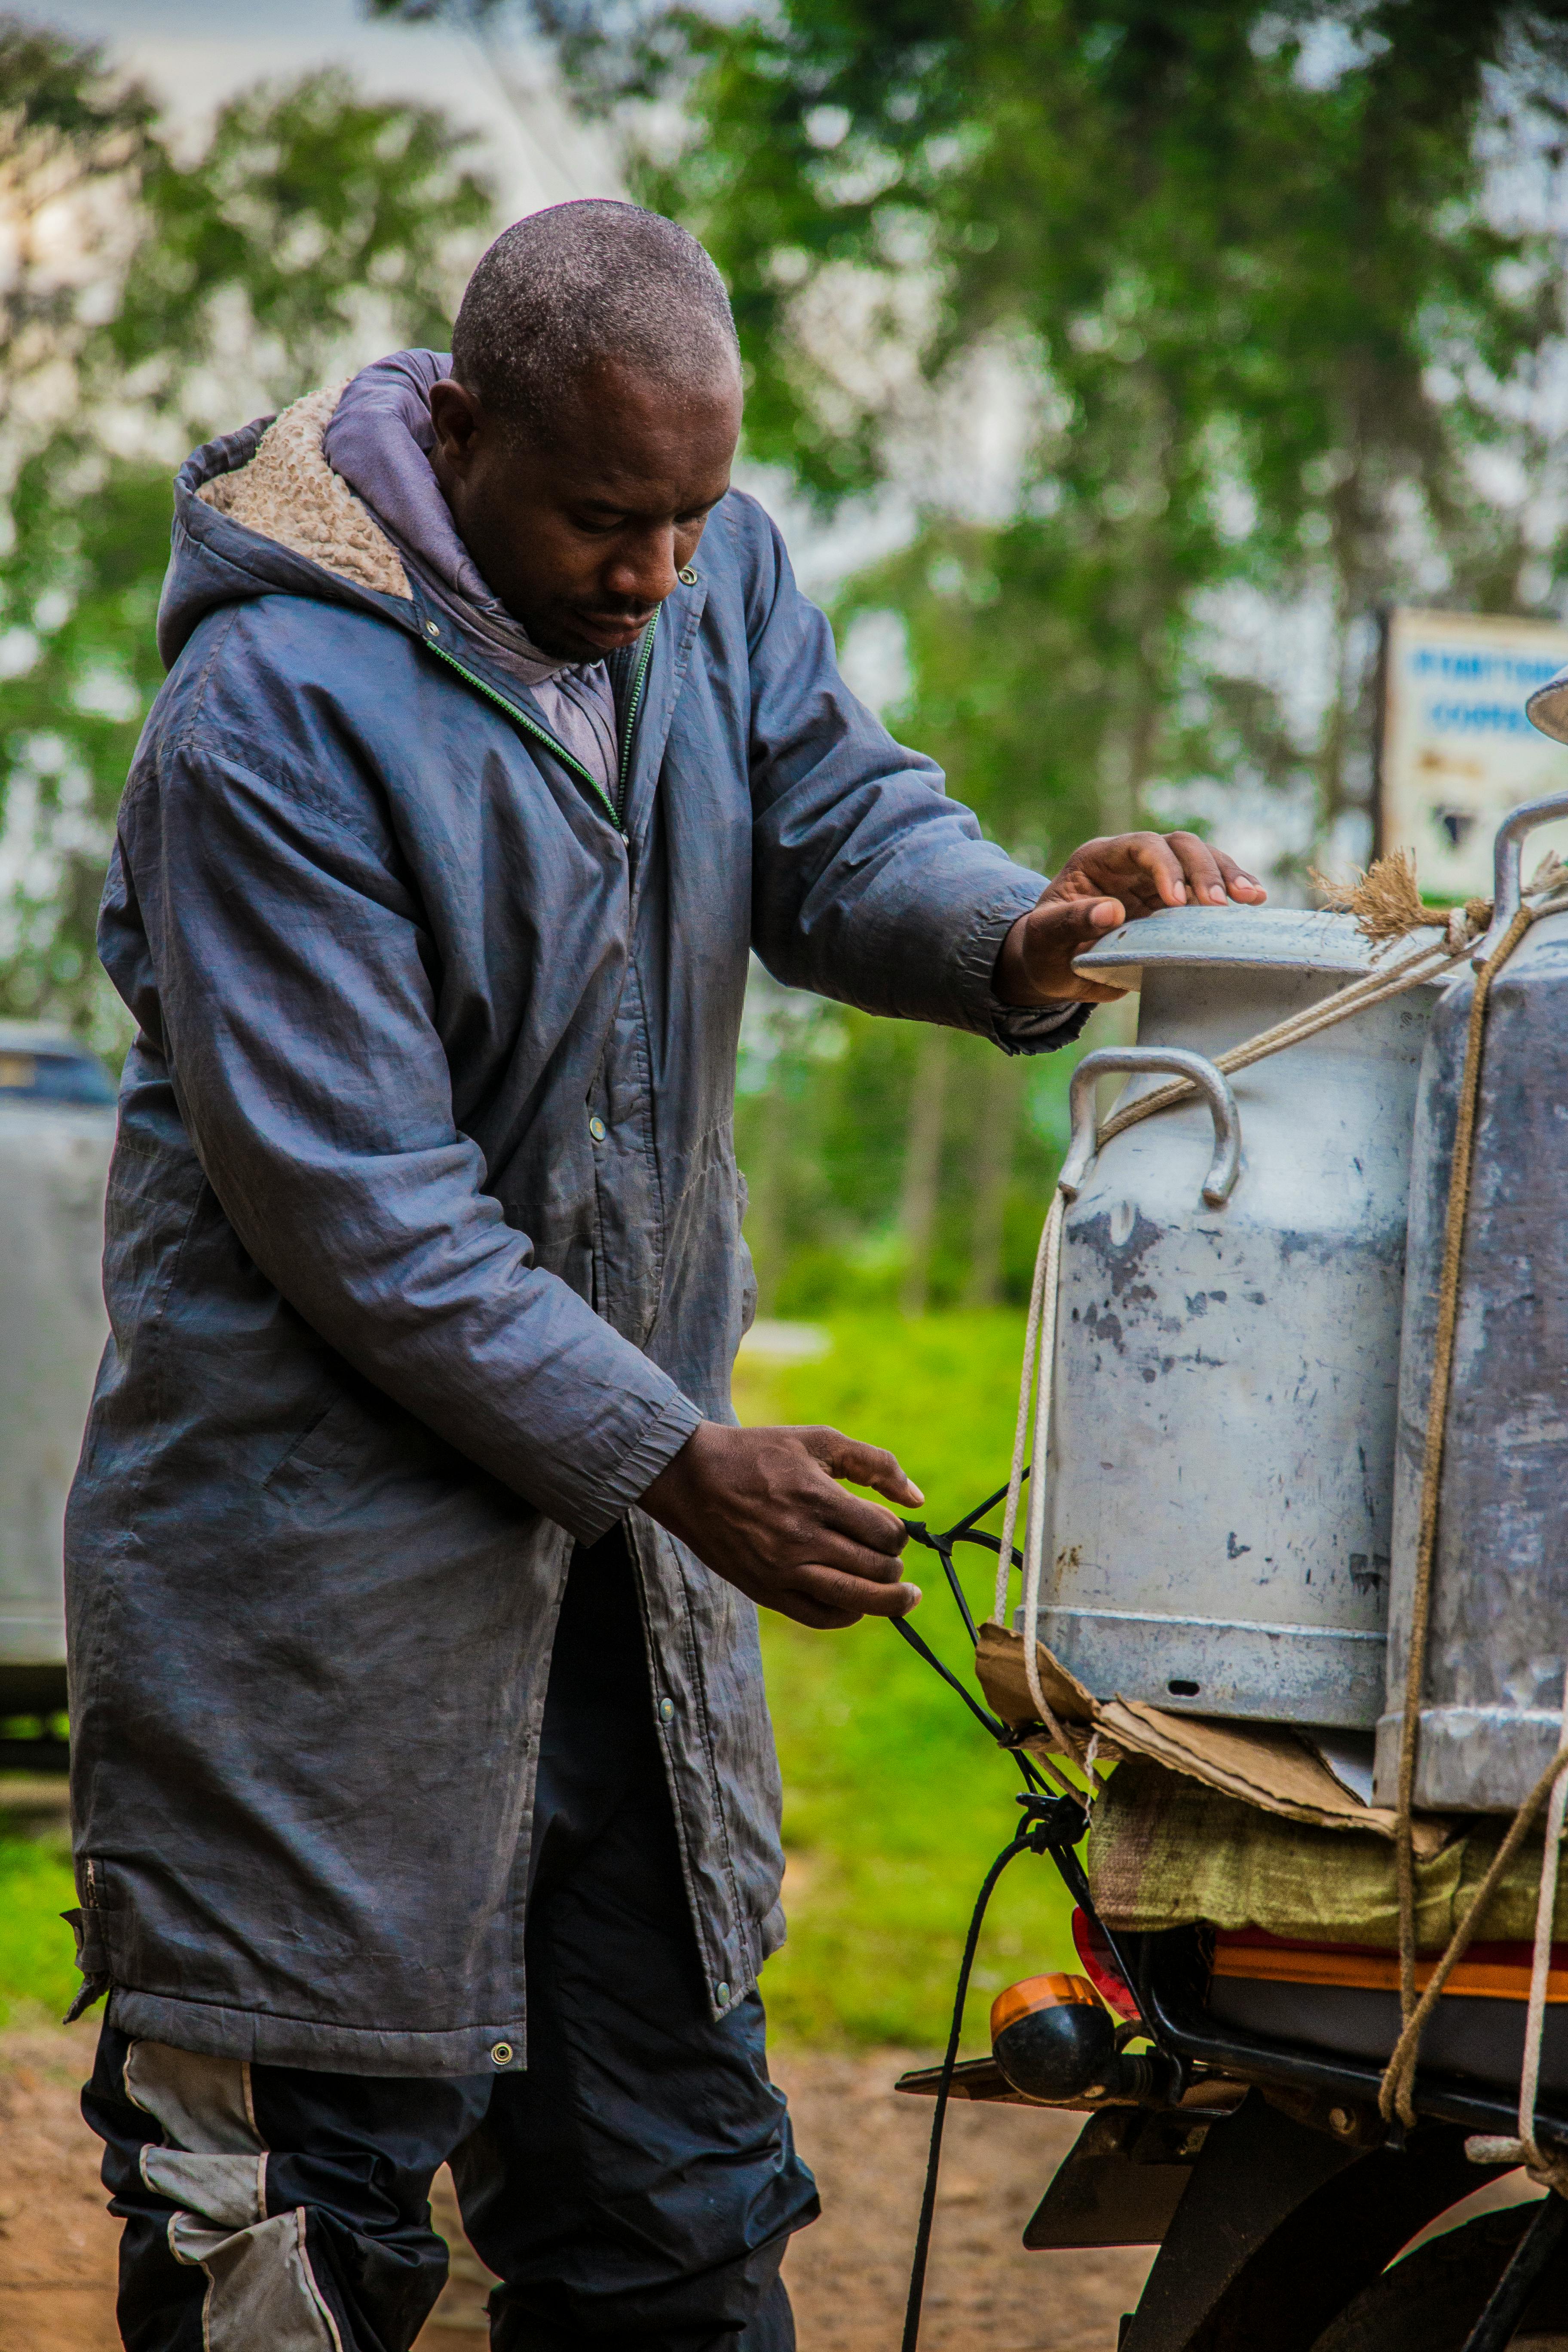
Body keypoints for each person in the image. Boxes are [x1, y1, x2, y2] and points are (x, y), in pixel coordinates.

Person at [65, 200, 1265, 2352]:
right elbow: (365, 1209)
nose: (657, 576)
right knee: (295, 2272)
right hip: (318, 1647)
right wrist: (679, 1455)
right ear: (458, 428)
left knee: (682, 2252)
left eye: (696, 521)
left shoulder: (705, 587)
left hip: (613, 1627)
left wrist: (1018, 930)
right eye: (612, 519)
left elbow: (837, 821)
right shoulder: (268, 715)